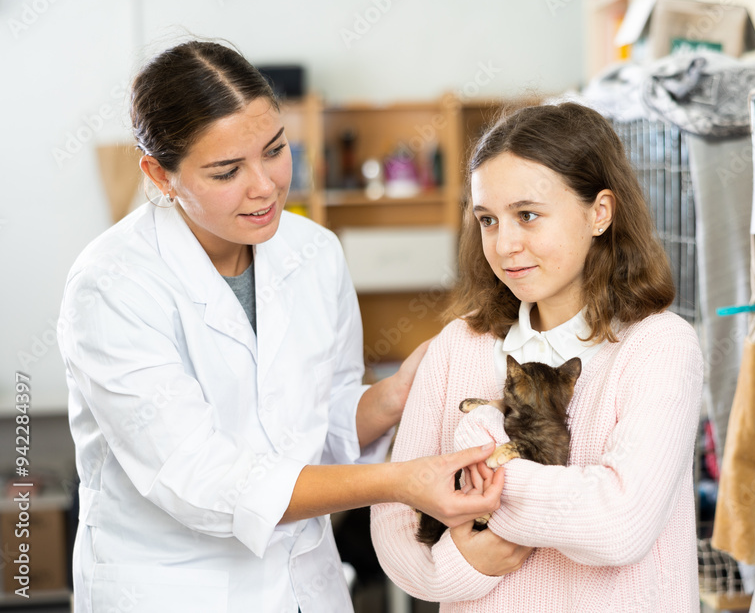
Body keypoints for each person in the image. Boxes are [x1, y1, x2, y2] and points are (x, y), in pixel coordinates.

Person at [56, 40, 502, 613]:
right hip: (176, 588)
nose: (264, 186)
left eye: (275, 150)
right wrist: (400, 481)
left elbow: (324, 421)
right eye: (226, 171)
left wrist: (393, 397)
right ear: (159, 174)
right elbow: (201, 480)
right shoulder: (112, 284)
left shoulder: (313, 252)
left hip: (305, 584)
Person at [369, 102, 705, 612]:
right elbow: (395, 526)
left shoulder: (659, 346)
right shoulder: (456, 346)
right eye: (487, 220)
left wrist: (486, 450)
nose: (504, 245)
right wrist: (469, 564)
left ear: (600, 212)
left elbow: (619, 525)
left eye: (527, 215)